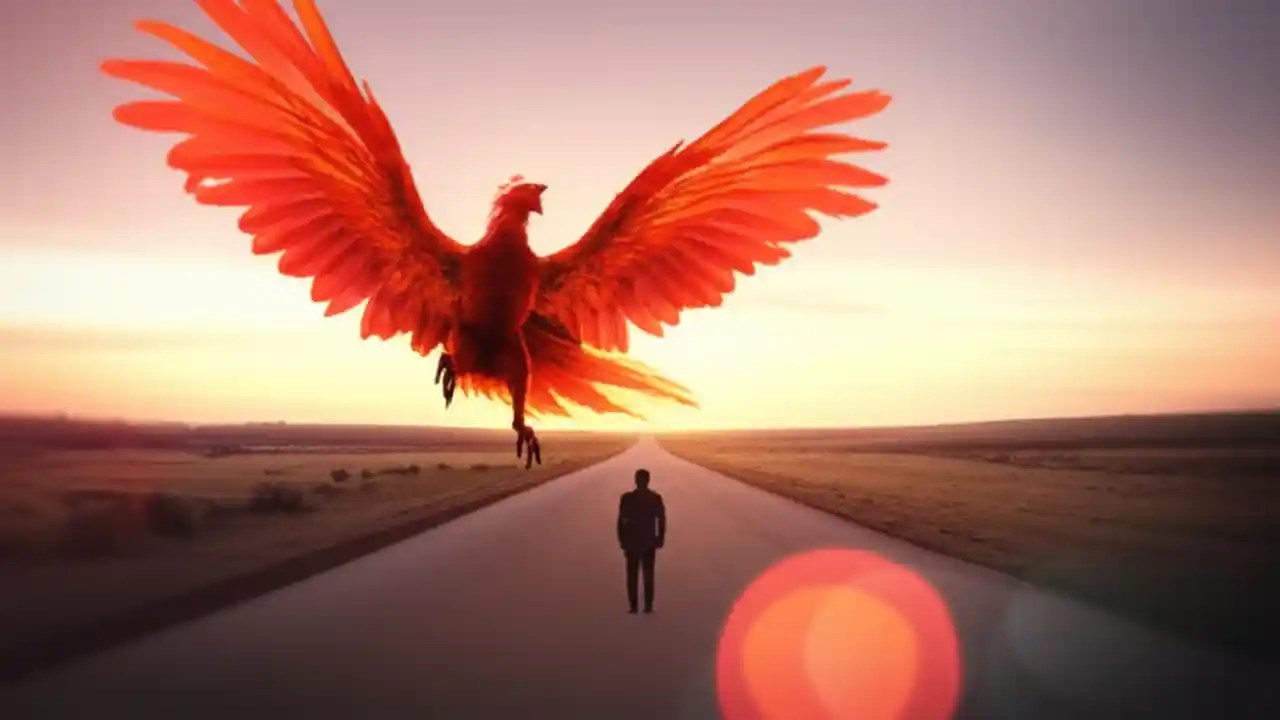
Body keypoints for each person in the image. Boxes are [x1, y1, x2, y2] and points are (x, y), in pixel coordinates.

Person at [617, 468, 666, 614]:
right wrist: (660, 537)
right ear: (648, 480)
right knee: (648, 574)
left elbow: (621, 521)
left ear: (636, 480)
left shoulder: (627, 498)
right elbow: (661, 519)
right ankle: (648, 606)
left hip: (632, 542)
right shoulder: (655, 498)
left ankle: (633, 607)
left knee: (632, 575)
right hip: (649, 541)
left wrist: (622, 538)